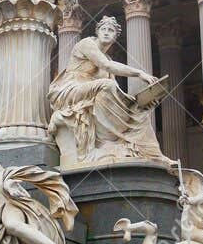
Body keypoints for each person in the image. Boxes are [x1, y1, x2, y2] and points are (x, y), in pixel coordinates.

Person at [47, 16, 168, 165]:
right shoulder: (87, 44)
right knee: (106, 85)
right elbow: (107, 67)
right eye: (103, 29)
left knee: (140, 113)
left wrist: (138, 104)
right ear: (97, 32)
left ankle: (152, 153)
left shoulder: (108, 59)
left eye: (110, 30)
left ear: (115, 37)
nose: (106, 32)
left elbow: (116, 92)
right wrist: (139, 73)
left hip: (92, 90)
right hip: (70, 90)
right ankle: (105, 142)